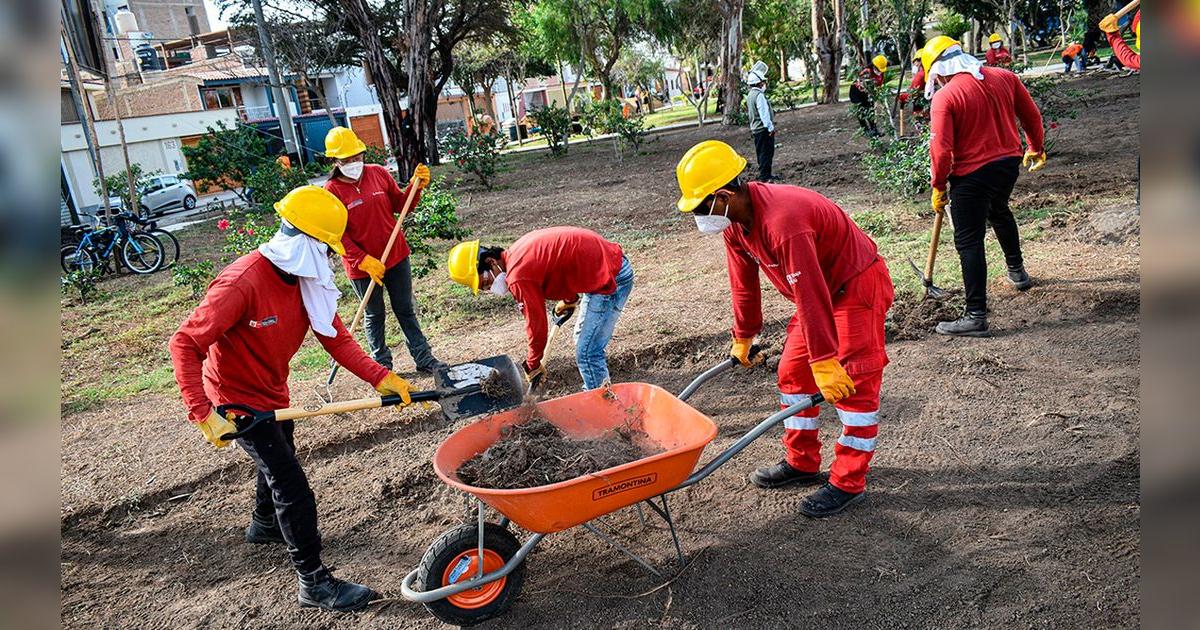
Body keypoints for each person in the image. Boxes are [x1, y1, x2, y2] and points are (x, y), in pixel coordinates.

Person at [169, 185, 414, 612]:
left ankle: (264, 524)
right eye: (327, 247)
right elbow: (184, 344)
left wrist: (381, 377)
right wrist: (204, 414)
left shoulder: (305, 278)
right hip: (234, 398)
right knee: (291, 483)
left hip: (272, 391)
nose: (333, 259)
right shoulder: (242, 282)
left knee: (280, 451)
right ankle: (314, 583)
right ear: (307, 242)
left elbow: (335, 337)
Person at [674, 140, 894, 518]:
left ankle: (848, 481)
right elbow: (742, 282)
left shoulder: (783, 221)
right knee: (792, 373)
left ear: (724, 196)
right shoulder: (737, 224)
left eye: (700, 206)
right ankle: (802, 462)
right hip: (818, 293)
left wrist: (825, 360)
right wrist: (744, 336)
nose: (697, 216)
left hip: (855, 286)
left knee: (852, 385)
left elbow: (809, 292)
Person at [922, 35, 1046, 337]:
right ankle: (1017, 272)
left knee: (968, 240)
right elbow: (1031, 115)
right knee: (999, 210)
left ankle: (975, 315)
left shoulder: (946, 97)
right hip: (1007, 165)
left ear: (938, 70)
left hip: (971, 175)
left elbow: (940, 149)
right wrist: (1036, 147)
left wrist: (938, 185)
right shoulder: (1005, 76)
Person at [445, 228, 634, 390]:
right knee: (582, 341)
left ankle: (601, 403)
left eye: (485, 282)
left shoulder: (518, 277)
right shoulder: (516, 252)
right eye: (482, 288)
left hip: (612, 277)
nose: (488, 288)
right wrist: (568, 299)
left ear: (490, 262)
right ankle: (597, 393)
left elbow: (536, 326)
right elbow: (560, 265)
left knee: (587, 351)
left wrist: (533, 364)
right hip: (602, 267)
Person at [323, 126, 445, 374]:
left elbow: (402, 205)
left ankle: (424, 359)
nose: (354, 163)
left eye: (357, 157)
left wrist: (416, 186)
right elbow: (337, 235)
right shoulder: (332, 191)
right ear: (335, 161)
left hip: (395, 255)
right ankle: (382, 367)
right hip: (363, 268)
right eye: (347, 159)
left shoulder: (378, 173)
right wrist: (363, 260)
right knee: (374, 315)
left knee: (405, 309)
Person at [744, 61, 778, 181]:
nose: (764, 84)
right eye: (763, 82)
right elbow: (764, 114)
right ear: (758, 83)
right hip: (763, 129)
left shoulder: (750, 95)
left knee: (761, 152)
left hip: (755, 129)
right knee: (767, 152)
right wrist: (770, 128)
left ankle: (764, 174)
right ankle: (765, 176)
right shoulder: (759, 96)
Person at [849, 55, 887, 137]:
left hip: (869, 93)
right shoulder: (867, 72)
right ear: (874, 65)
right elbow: (863, 86)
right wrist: (871, 95)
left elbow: (879, 85)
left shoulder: (881, 73)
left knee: (871, 110)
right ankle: (865, 130)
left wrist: (877, 97)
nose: (879, 71)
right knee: (861, 111)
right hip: (857, 92)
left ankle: (874, 130)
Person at [898, 50, 930, 124]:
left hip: (920, 108)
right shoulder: (930, 73)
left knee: (923, 128)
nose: (915, 64)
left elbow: (912, 93)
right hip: (928, 106)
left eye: (915, 61)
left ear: (920, 61)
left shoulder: (920, 75)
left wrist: (902, 97)